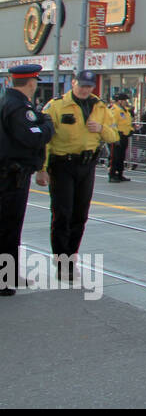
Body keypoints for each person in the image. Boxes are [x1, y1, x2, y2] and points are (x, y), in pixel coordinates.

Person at [42, 71, 119, 282]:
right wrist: (42, 168)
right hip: (62, 165)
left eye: (89, 86)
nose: (85, 90)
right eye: (81, 85)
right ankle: (61, 262)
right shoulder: (56, 106)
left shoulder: (100, 107)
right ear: (73, 83)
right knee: (62, 214)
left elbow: (114, 134)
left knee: (80, 215)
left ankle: (71, 258)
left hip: (87, 166)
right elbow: (45, 140)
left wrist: (101, 128)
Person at [0, 65, 55, 296]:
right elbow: (31, 137)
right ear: (31, 83)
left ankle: (8, 275)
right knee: (9, 230)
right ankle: (4, 281)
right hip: (12, 177)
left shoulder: (7, 101)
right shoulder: (19, 107)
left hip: (9, 174)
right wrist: (48, 124)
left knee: (7, 229)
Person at [105, 91, 136, 182]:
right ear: (119, 101)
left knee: (121, 156)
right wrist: (115, 134)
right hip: (116, 136)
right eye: (124, 100)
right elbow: (112, 123)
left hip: (124, 136)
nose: (126, 101)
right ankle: (112, 174)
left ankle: (120, 174)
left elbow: (127, 122)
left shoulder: (125, 110)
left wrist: (131, 130)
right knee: (114, 157)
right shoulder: (114, 110)